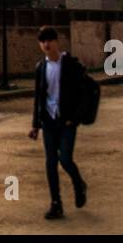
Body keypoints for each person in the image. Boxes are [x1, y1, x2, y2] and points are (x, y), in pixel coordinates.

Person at [28, 26, 87, 220]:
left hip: (67, 121)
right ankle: (56, 204)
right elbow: (39, 98)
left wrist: (75, 117)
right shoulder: (41, 68)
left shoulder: (70, 64)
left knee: (65, 159)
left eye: (49, 40)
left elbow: (83, 93)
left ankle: (78, 183)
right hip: (49, 121)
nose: (46, 44)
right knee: (50, 163)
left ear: (56, 41)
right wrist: (35, 125)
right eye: (42, 41)